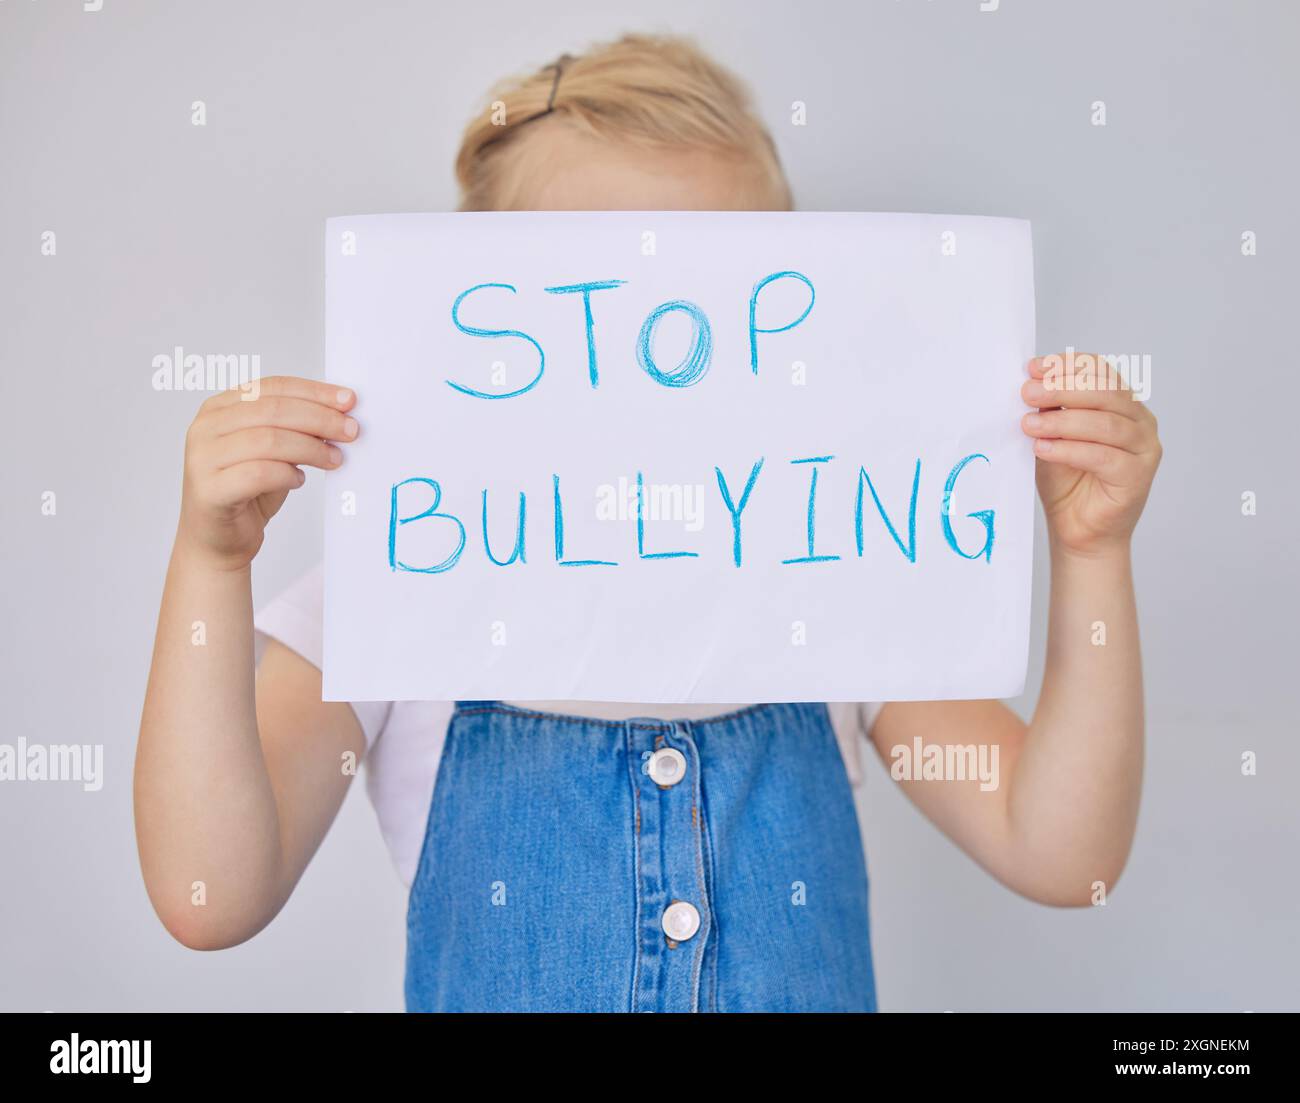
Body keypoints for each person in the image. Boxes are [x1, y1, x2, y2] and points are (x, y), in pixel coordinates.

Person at [135, 34, 1163, 1012]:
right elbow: (207, 892)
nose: (664, 366)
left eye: (715, 309)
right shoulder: (393, 599)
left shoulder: (831, 588)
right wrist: (208, 561)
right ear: (480, 332)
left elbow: (1060, 848)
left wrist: (1090, 553)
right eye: (601, 308)